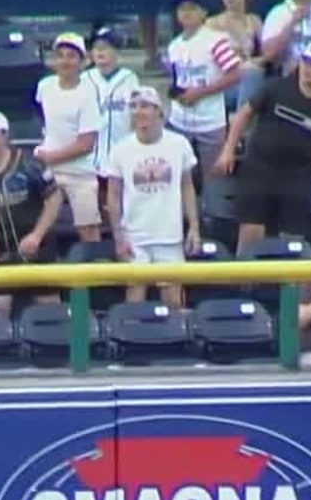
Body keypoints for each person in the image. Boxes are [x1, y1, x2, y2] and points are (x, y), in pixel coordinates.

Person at [215, 40, 311, 257]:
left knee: (292, 238)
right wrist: (228, 150)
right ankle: (246, 284)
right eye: (306, 61)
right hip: (259, 167)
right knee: (251, 229)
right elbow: (243, 114)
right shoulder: (276, 87)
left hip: (298, 176)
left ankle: (288, 289)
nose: (308, 68)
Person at [103, 87, 201, 306]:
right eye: (134, 106)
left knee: (174, 301)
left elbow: (187, 187)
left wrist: (193, 227)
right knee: (135, 298)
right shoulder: (120, 150)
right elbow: (113, 195)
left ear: (159, 112)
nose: (139, 111)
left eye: (145, 106)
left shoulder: (179, 144)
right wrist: (118, 236)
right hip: (134, 236)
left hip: (169, 235)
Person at [0, 110, 65, 315]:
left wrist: (37, 235)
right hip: (0, 252)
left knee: (50, 308)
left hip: (38, 249)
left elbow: (54, 198)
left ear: (4, 135)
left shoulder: (29, 164)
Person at [167, 0, 243, 195]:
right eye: (182, 8)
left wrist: (201, 92)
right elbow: (174, 81)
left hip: (210, 121)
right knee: (182, 179)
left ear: (203, 12)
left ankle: (213, 223)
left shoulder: (215, 40)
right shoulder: (173, 46)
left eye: (192, 8)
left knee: (214, 180)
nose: (186, 13)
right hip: (179, 121)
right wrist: (178, 95)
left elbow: (236, 74)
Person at [33, 34, 102, 245]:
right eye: (60, 56)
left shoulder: (89, 93)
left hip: (80, 174)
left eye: (71, 56)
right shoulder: (45, 86)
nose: (65, 61)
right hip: (50, 173)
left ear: (83, 62)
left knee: (89, 233)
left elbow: (86, 144)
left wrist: (52, 157)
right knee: (35, 226)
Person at [86, 28, 139, 182]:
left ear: (117, 52)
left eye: (106, 47)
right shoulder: (84, 79)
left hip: (124, 156)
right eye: (96, 47)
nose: (100, 52)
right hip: (90, 159)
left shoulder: (130, 79)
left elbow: (137, 116)